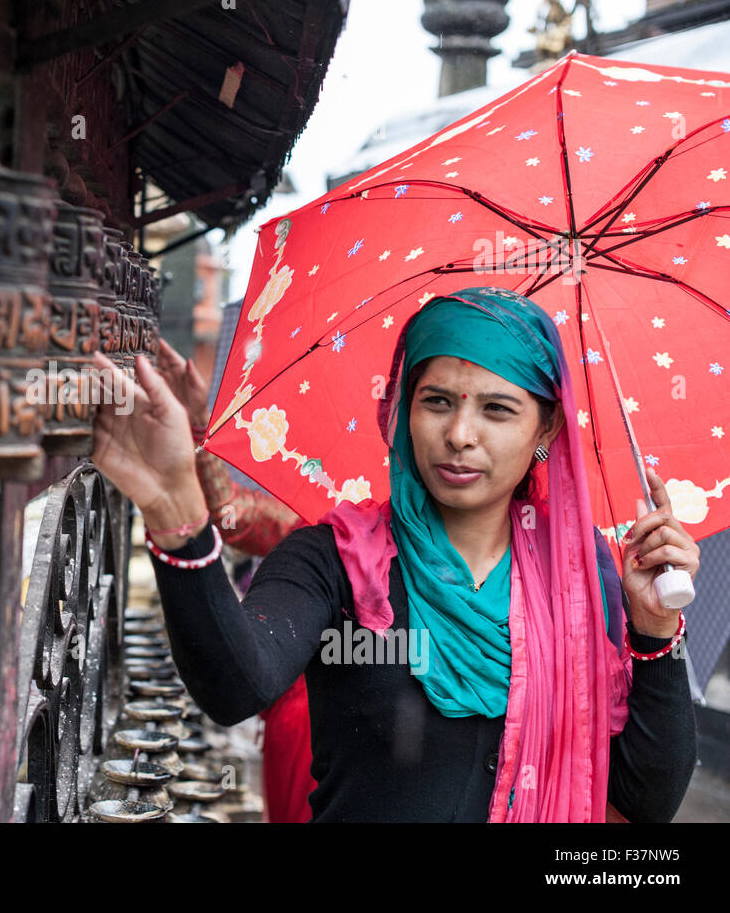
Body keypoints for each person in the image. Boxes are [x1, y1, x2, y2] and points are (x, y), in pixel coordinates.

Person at [93, 287, 698, 822]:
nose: (460, 434)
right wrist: (176, 513)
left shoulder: (582, 576)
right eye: (436, 401)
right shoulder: (333, 561)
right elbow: (234, 686)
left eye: (496, 408)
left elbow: (645, 801)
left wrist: (654, 630)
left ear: (545, 431)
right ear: (402, 411)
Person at [154, 338, 315, 823]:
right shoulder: (347, 518)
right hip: (312, 728)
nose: (459, 434)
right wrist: (197, 428)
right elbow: (231, 516)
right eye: (434, 402)